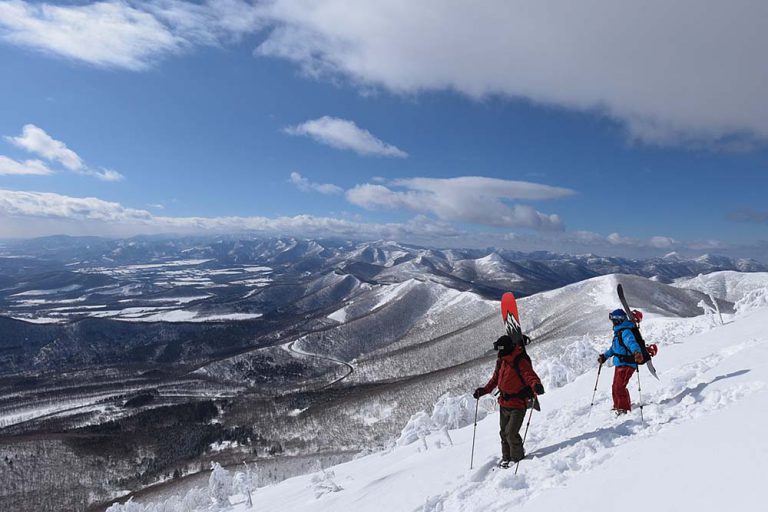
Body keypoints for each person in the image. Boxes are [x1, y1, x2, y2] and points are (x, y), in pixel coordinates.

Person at [473, 334, 544, 468]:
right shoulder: (502, 361)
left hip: (518, 404)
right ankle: (506, 457)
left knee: (511, 433)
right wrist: (484, 390)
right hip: (504, 403)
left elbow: (530, 375)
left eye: (501, 349)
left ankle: (517, 459)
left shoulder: (519, 360)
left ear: (507, 348)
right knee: (503, 433)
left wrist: (536, 385)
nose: (499, 352)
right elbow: (495, 379)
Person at [598, 309, 644, 416]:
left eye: (613, 320)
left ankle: (623, 409)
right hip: (620, 364)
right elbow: (614, 348)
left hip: (626, 364)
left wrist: (637, 352)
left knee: (619, 387)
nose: (612, 323)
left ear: (618, 320)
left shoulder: (626, 332)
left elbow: (632, 343)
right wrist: (605, 356)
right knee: (615, 386)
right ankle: (618, 406)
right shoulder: (619, 332)